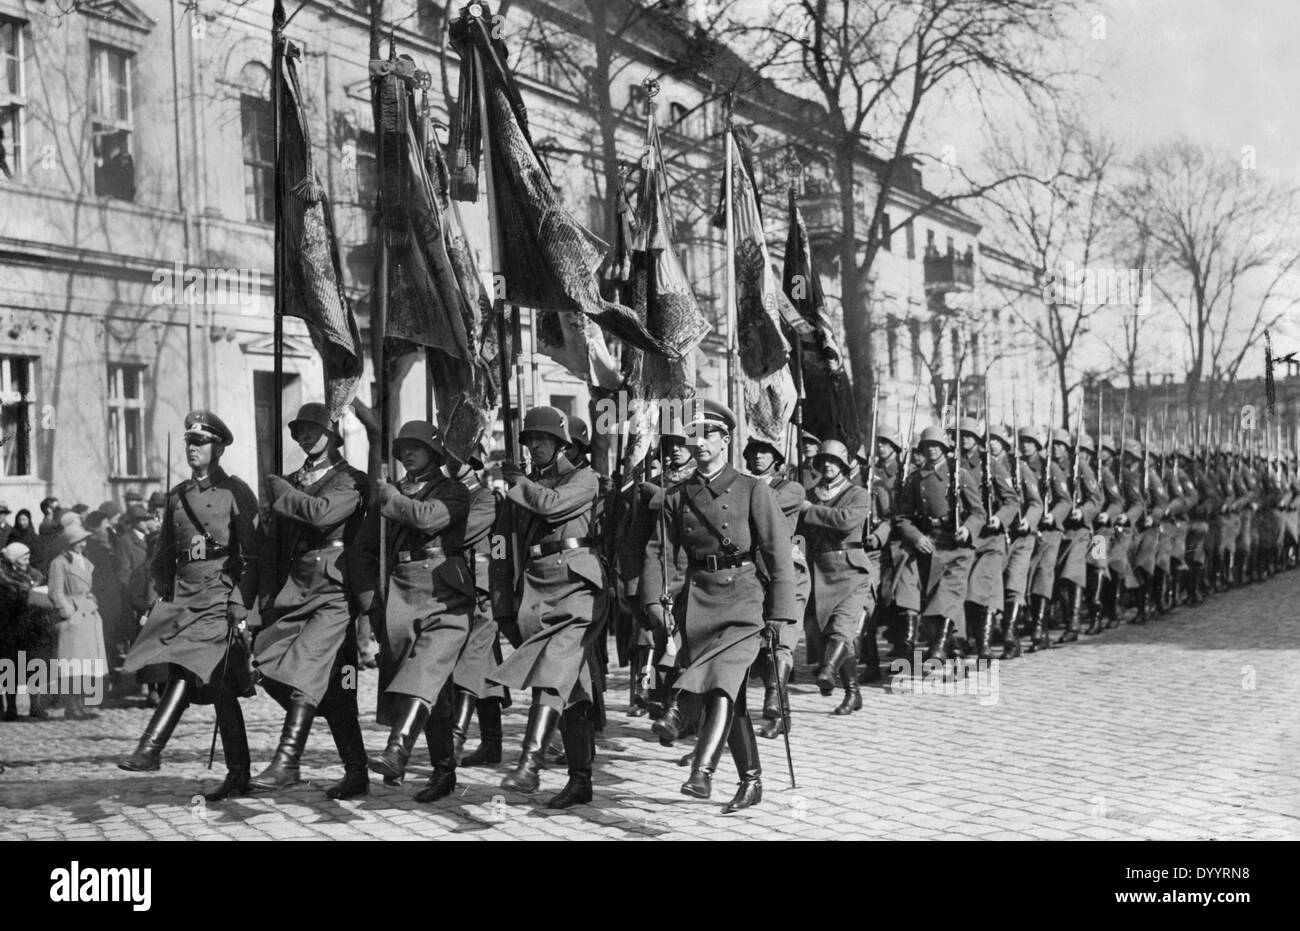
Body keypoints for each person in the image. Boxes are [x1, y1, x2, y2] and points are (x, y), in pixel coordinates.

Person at [641, 400, 796, 813]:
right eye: (694, 436)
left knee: (724, 678)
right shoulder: (678, 495)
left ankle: (701, 769)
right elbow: (661, 552)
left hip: (744, 598)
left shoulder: (752, 489)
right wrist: (657, 602)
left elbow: (777, 552)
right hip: (700, 600)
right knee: (728, 694)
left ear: (725, 439)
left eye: (709, 435)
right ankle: (751, 781)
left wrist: (781, 613)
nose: (701, 443)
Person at [119, 410, 261, 803]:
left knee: (185, 668)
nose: (192, 449)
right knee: (218, 689)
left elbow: (251, 555)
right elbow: (164, 553)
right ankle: (239, 773)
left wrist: (239, 601)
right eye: (188, 443)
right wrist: (155, 598)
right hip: (184, 597)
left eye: (200, 443)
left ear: (217, 448)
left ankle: (151, 748)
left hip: (218, 595)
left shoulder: (235, 492)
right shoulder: (177, 494)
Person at [489, 406, 607, 809]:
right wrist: (503, 605)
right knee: (567, 687)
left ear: (561, 444)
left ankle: (530, 763)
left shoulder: (583, 479)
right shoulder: (521, 488)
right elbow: (502, 548)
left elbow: (552, 505)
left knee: (554, 668)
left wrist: (518, 483)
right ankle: (580, 780)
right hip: (536, 591)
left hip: (577, 587)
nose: (535, 445)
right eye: (529, 440)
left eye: (543, 439)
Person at [252, 402, 370, 799]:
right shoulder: (291, 482)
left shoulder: (352, 480)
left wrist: (283, 493)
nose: (305, 436)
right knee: (287, 670)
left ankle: (287, 761)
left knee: (307, 671)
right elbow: (274, 546)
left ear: (333, 433)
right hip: (295, 588)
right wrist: (263, 600)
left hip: (335, 589)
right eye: (299, 430)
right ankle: (357, 772)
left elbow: (322, 516)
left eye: (313, 429)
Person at [353, 422, 472, 802]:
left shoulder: (453, 491)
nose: (407, 453)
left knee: (426, 669)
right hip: (400, 594)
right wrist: (370, 601)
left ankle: (397, 751)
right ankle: (443, 771)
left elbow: (428, 518)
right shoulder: (392, 493)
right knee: (428, 685)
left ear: (434, 453)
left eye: (417, 447)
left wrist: (389, 498)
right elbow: (361, 551)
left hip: (444, 591)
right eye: (403, 446)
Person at [895, 425, 985, 664]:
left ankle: (938, 649)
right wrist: (916, 537)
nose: (932, 450)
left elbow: (978, 512)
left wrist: (967, 528)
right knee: (934, 598)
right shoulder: (915, 479)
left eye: (936, 445)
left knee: (947, 595)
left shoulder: (960, 475)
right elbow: (902, 517)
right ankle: (952, 644)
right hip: (931, 545)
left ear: (945, 448)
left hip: (957, 546)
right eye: (927, 446)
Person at [798, 439, 873, 715]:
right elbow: (799, 533)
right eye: (824, 461)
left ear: (844, 466)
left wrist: (809, 510)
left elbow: (844, 521)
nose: (828, 465)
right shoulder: (810, 493)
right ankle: (853, 693)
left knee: (842, 627)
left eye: (835, 461)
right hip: (820, 571)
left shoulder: (858, 494)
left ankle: (828, 668)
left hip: (851, 571)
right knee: (829, 630)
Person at [449, 443, 510, 768]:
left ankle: (455, 738)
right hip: (459, 588)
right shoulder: (451, 495)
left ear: (471, 463)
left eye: (454, 460)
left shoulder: (485, 497)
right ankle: (492, 743)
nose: (448, 465)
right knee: (484, 665)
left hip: (483, 588)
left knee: (470, 661)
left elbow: (461, 533)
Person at [742, 435, 808, 737]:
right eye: (753, 452)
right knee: (764, 644)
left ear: (777, 459)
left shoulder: (790, 489)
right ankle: (781, 714)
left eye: (765, 452)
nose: (757, 457)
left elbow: (762, 507)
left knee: (782, 639)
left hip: (788, 572)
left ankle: (775, 702)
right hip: (757, 574)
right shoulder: (746, 487)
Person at [961, 419, 1019, 661]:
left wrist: (999, 518)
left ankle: (986, 645)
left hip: (991, 538)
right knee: (966, 592)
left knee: (981, 588)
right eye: (960, 435)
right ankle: (972, 640)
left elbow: (1012, 501)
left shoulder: (992, 465)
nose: (964, 439)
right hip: (965, 538)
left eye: (968, 435)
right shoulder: (954, 465)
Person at [47, 524, 108, 720]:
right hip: (74, 616)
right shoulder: (59, 563)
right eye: (78, 541)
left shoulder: (85, 561)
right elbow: (55, 591)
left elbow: (87, 586)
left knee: (86, 664)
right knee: (72, 664)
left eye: (83, 540)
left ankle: (81, 703)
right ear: (70, 543)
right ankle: (71, 705)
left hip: (88, 613)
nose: (82, 544)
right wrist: (67, 611)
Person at [1020, 426, 1069, 652]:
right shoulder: (1017, 466)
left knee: (1048, 574)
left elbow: (1066, 501)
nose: (1025, 445)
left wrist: (1053, 515)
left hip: (1089, 533)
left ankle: (1045, 626)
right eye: (1023, 440)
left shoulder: (1053, 468)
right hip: (1031, 530)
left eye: (1030, 441)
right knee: (1028, 575)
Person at [1051, 428, 1102, 644]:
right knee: (1061, 578)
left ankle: (1081, 621)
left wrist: (1082, 512)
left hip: (1086, 530)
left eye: (1060, 445)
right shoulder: (1051, 468)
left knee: (1080, 573)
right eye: (1053, 445)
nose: (1056, 449)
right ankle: (1068, 619)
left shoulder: (1082, 468)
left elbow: (1097, 500)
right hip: (1060, 531)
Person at [998, 425, 1042, 658]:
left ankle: (1010, 637)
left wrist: (1028, 520)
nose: (993, 444)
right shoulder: (985, 468)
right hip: (996, 537)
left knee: (1014, 584)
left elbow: (1036, 502)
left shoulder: (1020, 468)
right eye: (990, 439)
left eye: (997, 440)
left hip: (1022, 536)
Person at [1, 542, 50, 722]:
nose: (27, 559)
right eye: (23, 556)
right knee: (10, 668)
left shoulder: (35, 575)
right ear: (13, 559)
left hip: (32, 627)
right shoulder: (3, 575)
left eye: (28, 555)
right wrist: (25, 596)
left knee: (34, 666)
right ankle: (11, 708)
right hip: (10, 627)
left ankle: (35, 706)